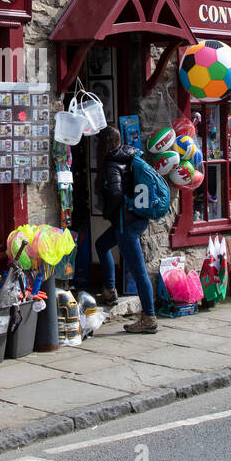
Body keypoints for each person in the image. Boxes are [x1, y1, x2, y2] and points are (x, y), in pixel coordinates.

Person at [94, 126, 158, 334]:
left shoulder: (113, 164)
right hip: (136, 218)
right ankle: (110, 291)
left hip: (125, 223)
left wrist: (109, 213)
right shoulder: (130, 154)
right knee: (102, 244)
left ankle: (149, 317)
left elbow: (115, 194)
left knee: (139, 272)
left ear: (103, 145)